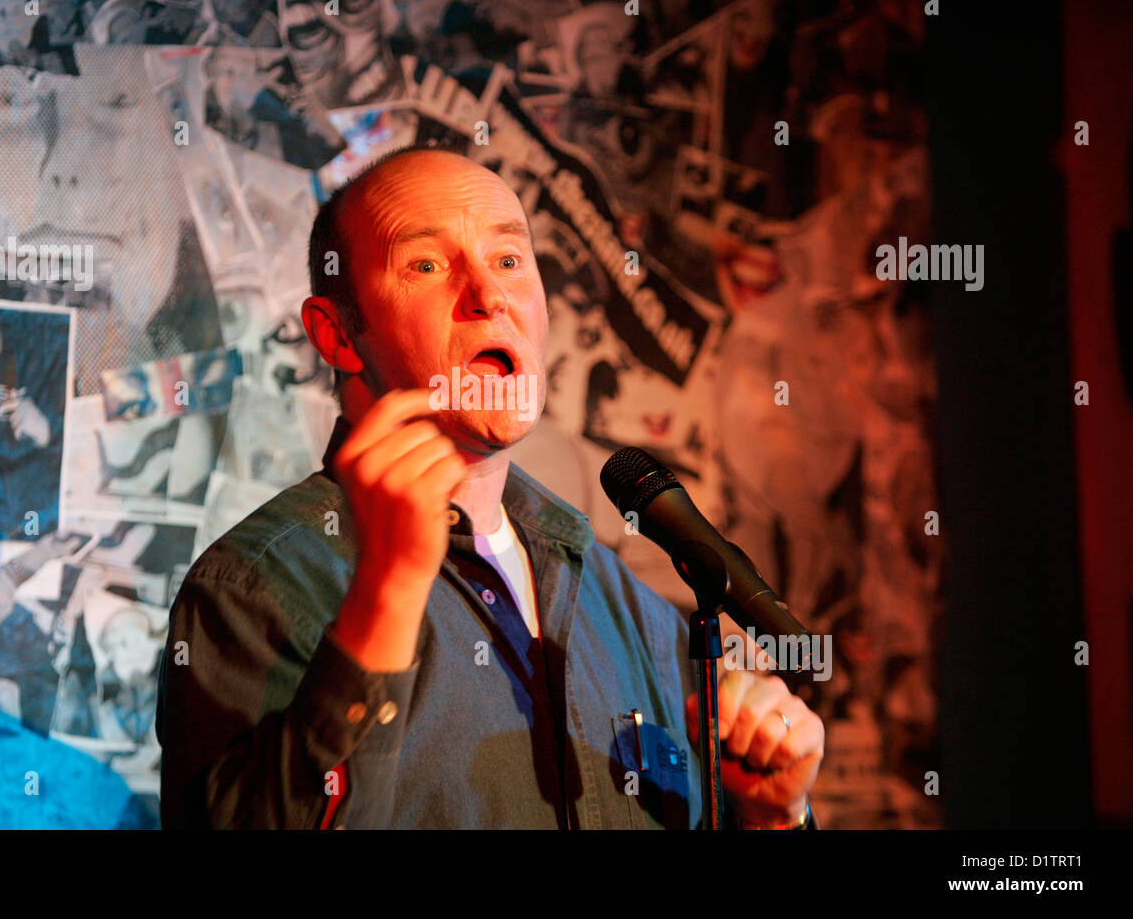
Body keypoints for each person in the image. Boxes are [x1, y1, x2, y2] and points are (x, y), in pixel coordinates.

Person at [157, 146, 825, 828]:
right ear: (337, 335)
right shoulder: (254, 588)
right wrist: (385, 598)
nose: (488, 295)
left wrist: (771, 817)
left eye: (508, 260)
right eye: (426, 266)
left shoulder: (623, 602)